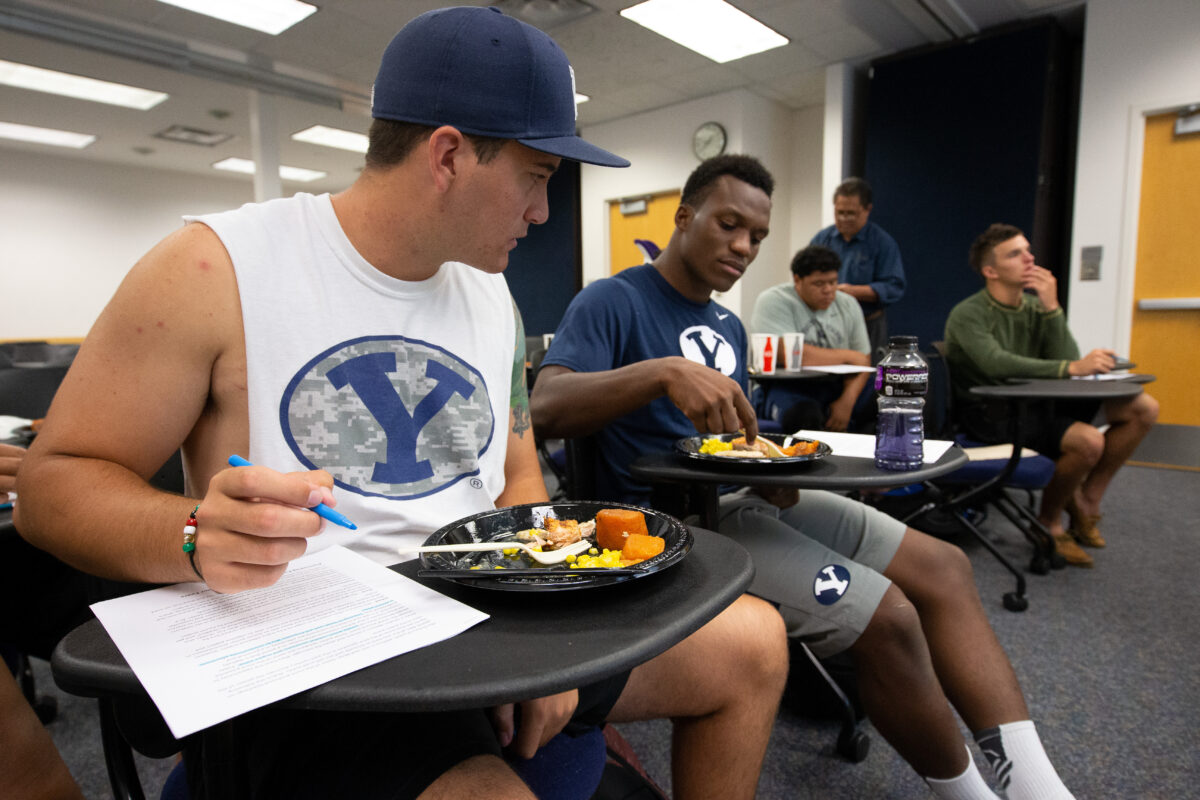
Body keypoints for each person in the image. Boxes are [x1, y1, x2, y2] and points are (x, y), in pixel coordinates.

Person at [14, 8, 787, 800]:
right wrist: (190, 532)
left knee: (754, 644)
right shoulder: (214, 267)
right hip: (325, 659)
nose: (543, 213)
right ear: (448, 154)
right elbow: (50, 487)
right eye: (538, 178)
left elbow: (519, 477)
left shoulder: (491, 293)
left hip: (485, 617)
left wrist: (542, 639)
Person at [531, 155, 1075, 800]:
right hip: (677, 520)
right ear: (684, 217)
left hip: (749, 496)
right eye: (728, 224)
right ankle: (971, 795)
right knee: (890, 615)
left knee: (946, 567)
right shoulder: (613, 299)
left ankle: (1034, 784)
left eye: (757, 237)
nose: (743, 247)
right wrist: (659, 371)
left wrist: (774, 463)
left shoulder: (729, 323)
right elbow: (545, 407)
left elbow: (733, 435)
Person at [944, 223, 1159, 568]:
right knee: (1088, 442)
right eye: (1015, 254)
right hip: (994, 414)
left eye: (1028, 250)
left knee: (1142, 407)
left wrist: (1051, 306)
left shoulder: (1033, 308)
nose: (1029, 259)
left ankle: (1088, 500)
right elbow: (996, 364)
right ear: (990, 270)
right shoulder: (968, 314)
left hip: (1039, 404)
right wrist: (1070, 367)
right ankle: (1049, 520)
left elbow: (1065, 354)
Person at [750, 244, 873, 432]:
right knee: (805, 416)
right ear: (797, 280)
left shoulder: (848, 304)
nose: (828, 290)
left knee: (889, 400)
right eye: (819, 284)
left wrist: (847, 401)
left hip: (837, 386)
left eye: (833, 282)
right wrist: (848, 356)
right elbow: (787, 353)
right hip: (788, 387)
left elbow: (863, 362)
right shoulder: (774, 299)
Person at [810, 177, 906, 360]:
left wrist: (852, 292)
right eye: (839, 213)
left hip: (868, 323)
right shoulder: (823, 239)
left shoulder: (882, 243)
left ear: (867, 210)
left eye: (851, 213)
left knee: (868, 377)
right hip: (826, 323)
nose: (844, 219)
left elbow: (894, 287)